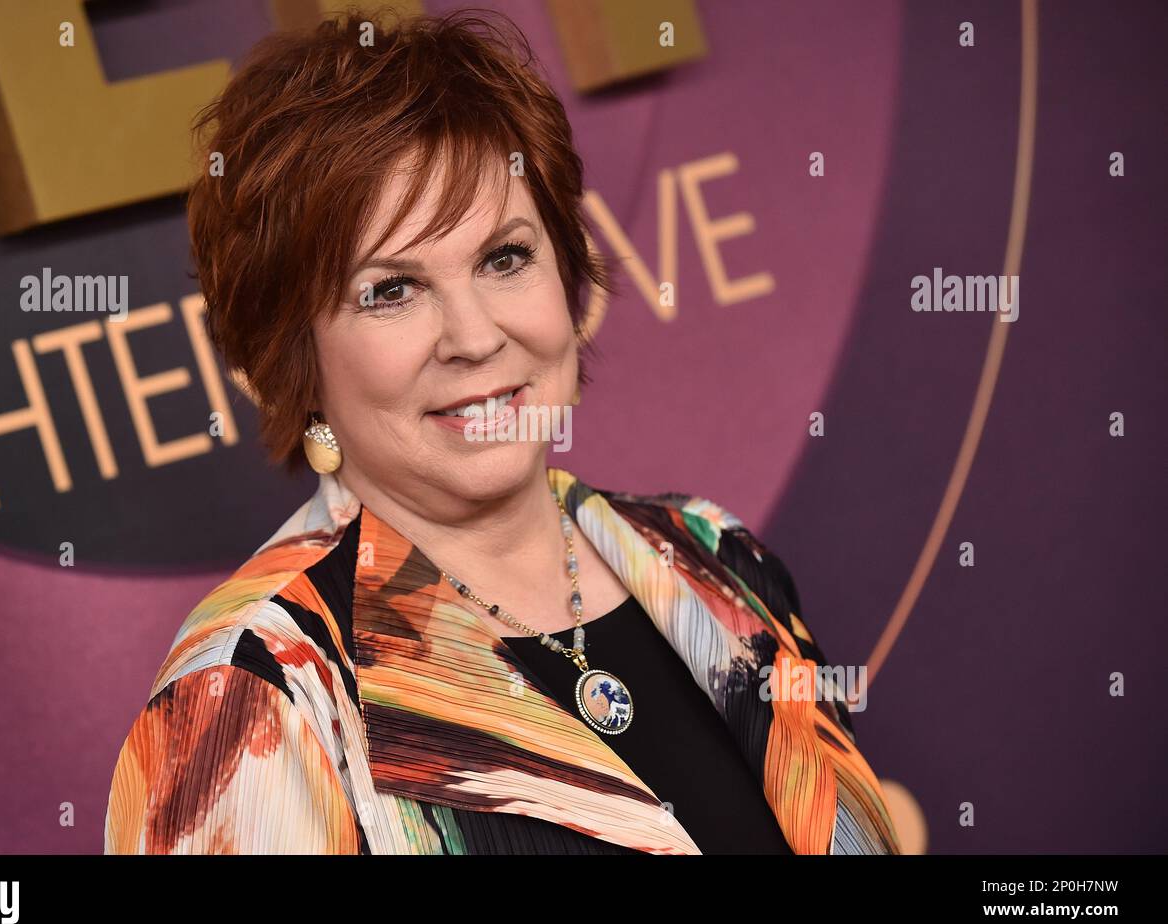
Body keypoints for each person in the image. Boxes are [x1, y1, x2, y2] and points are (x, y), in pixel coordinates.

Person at [103, 9, 900, 855]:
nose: (476, 337)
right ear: (292, 359)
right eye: (391, 291)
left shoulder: (713, 557)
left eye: (504, 258)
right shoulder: (248, 696)